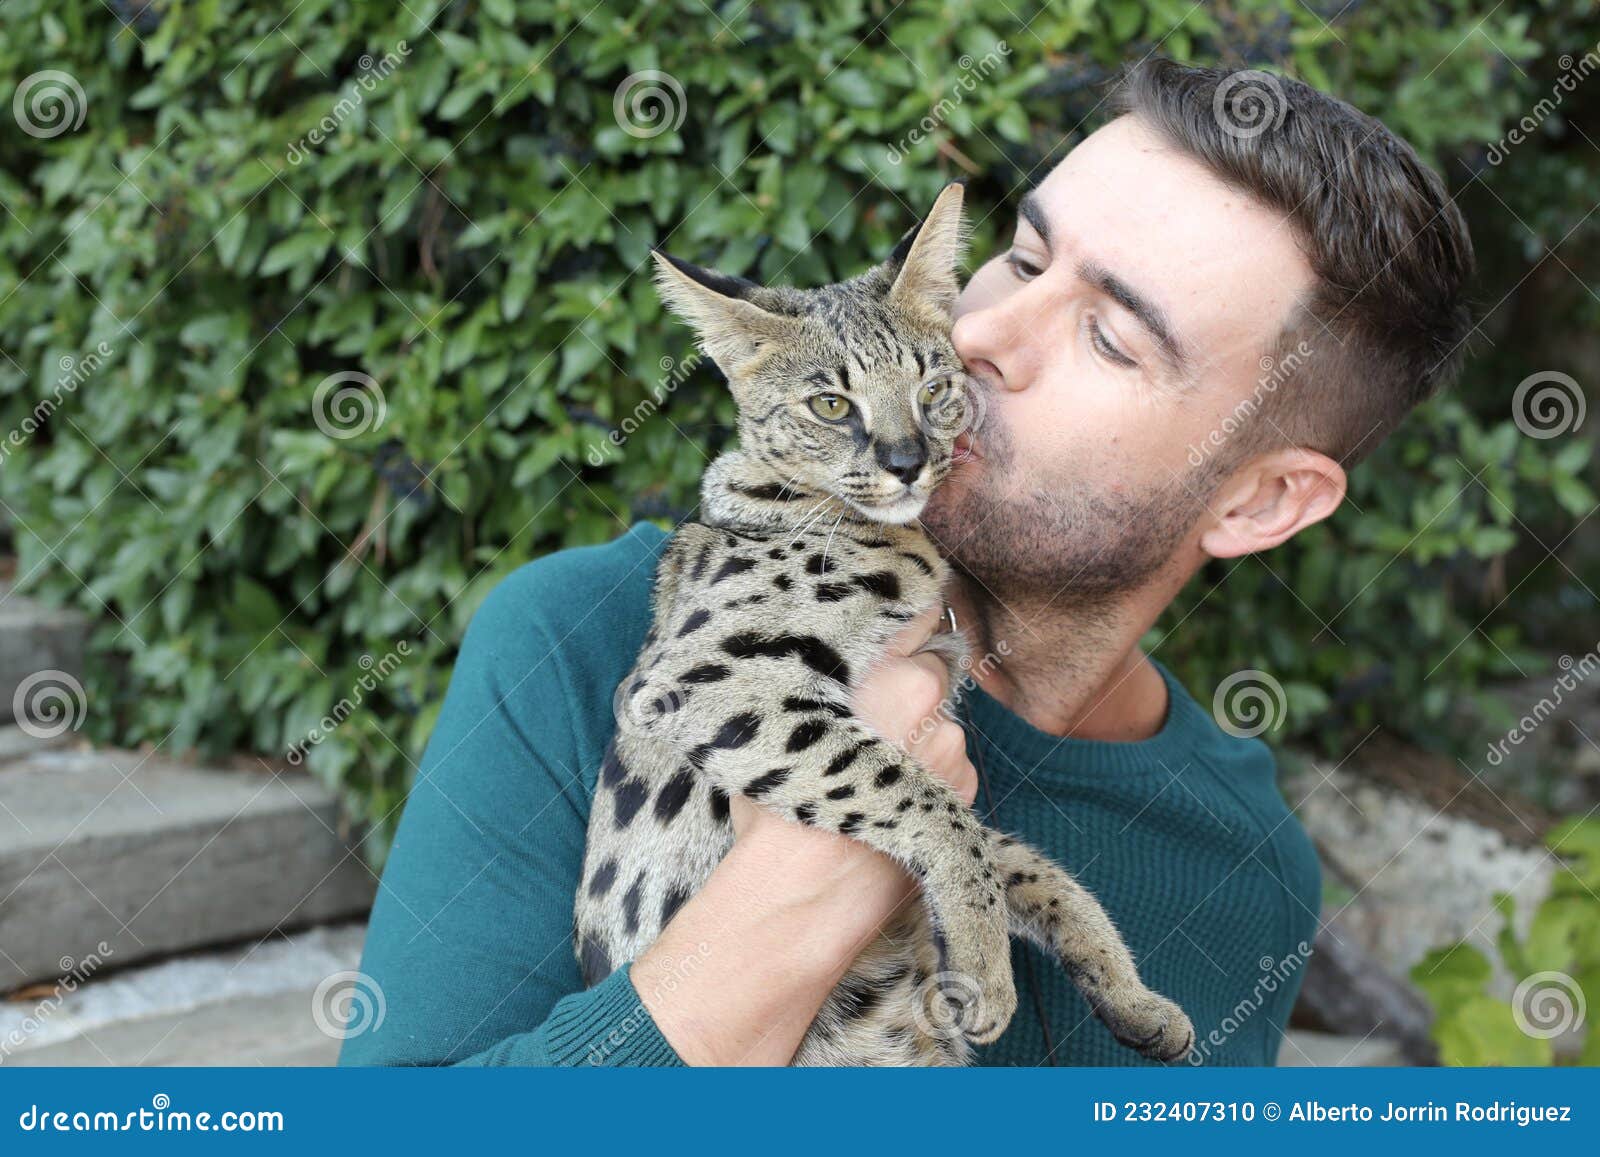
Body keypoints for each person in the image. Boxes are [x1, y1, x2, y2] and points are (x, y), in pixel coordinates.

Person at [339, 58, 1474, 1067]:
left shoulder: (1246, 870)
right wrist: (785, 907)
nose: (978, 336)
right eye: (1021, 257)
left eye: (1108, 336)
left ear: (1261, 500)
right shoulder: (573, 635)